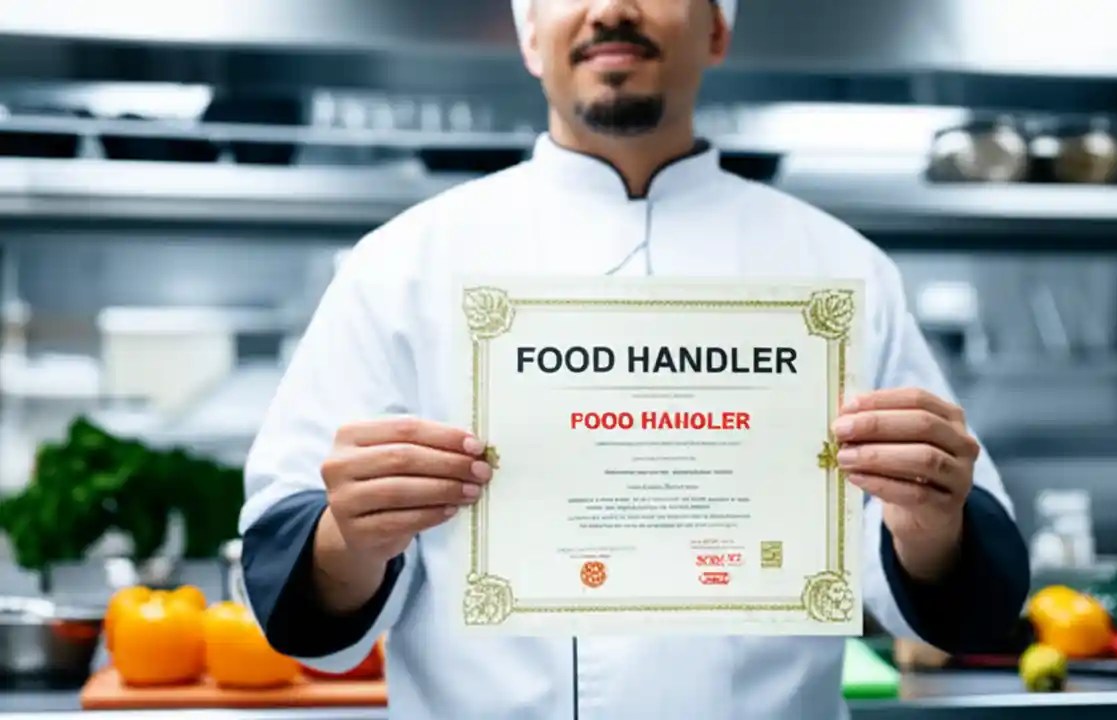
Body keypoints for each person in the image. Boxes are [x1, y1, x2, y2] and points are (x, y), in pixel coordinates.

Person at [238, 1, 1031, 717]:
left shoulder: (840, 271)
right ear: (529, 35)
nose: (612, 9)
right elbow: (288, 579)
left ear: (716, 30)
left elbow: (965, 598)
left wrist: (932, 521)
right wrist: (351, 537)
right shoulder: (401, 267)